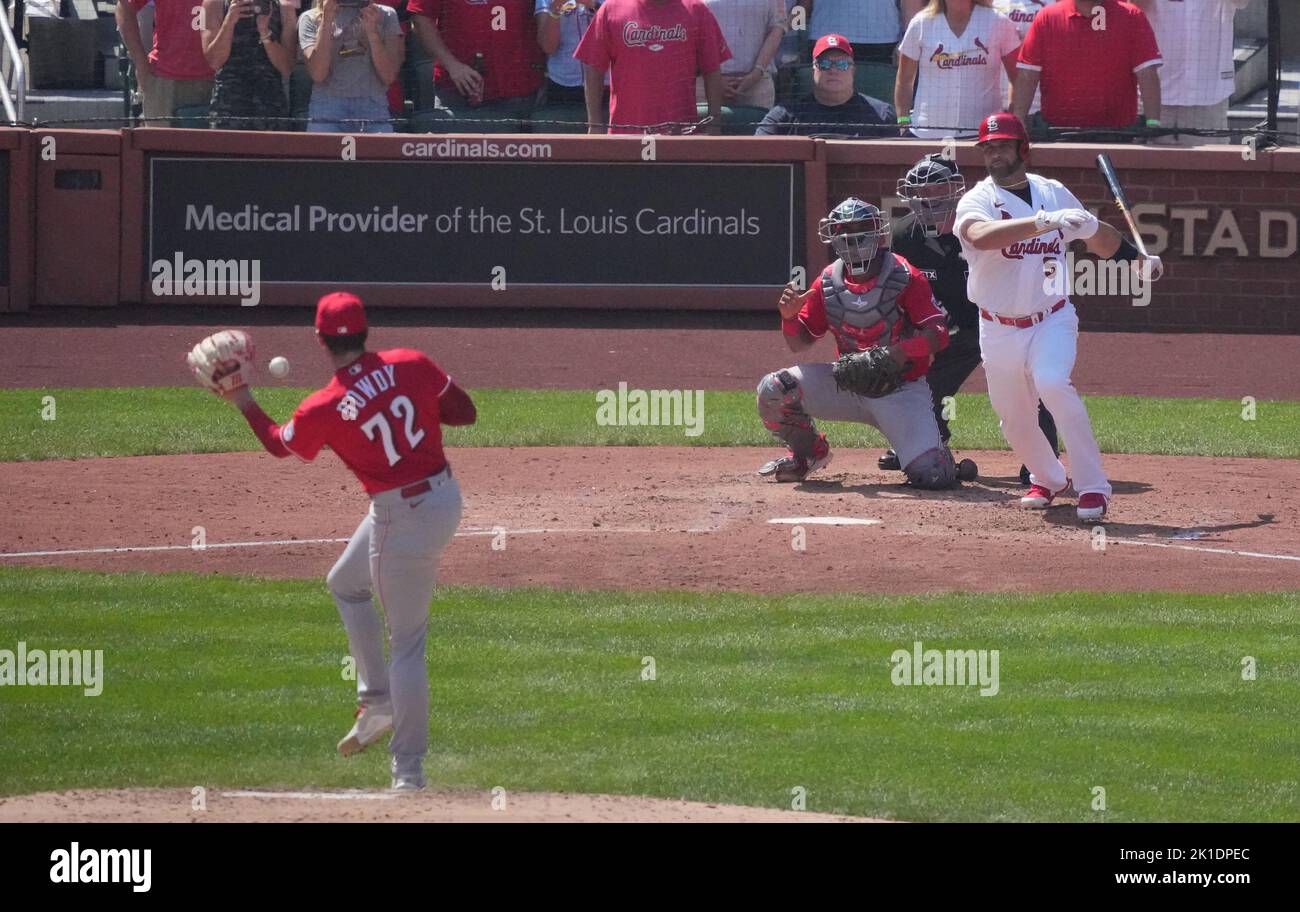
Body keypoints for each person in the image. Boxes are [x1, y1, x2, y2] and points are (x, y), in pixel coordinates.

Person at [197, 293, 476, 790]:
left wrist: (241, 398)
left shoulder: (322, 407)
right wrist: (406, 405)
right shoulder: (412, 361)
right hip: (443, 500)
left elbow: (280, 446)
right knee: (345, 582)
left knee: (408, 644)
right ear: (366, 329)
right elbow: (464, 413)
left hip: (399, 517)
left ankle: (408, 771)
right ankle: (375, 701)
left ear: (320, 340)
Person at [953, 112, 1164, 522]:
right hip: (997, 326)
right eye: (988, 147)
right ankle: (1048, 477)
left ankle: (1094, 488)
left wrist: (1133, 258)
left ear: (1022, 149)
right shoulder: (977, 199)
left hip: (1052, 317)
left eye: (1002, 145)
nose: (994, 152)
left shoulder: (1053, 191)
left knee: (1052, 382)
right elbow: (979, 235)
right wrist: (1043, 222)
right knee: (1013, 419)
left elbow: (1100, 240)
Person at [756, 198, 962, 490]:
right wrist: (789, 318)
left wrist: (900, 352)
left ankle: (938, 454)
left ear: (878, 233)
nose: (853, 238)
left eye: (861, 229)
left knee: (933, 476)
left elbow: (938, 334)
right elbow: (799, 343)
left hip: (900, 390)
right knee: (775, 390)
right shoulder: (828, 281)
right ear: (834, 237)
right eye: (845, 231)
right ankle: (809, 454)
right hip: (848, 384)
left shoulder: (905, 275)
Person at [884, 153, 1058, 485]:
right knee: (920, 383)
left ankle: (1042, 461)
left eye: (936, 191)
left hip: (1003, 319)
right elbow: (900, 292)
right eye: (921, 193)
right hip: (949, 330)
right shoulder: (905, 235)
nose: (928, 199)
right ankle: (923, 448)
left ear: (955, 192)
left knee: (1028, 384)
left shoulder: (982, 221)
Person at [575, 0, 731, 134]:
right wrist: (594, 124)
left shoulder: (697, 10)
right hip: (624, 133)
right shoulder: (611, 9)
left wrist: (714, 121)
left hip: (681, 134)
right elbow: (594, 67)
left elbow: (712, 69)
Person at [1012, 0, 1162, 139]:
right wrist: (1018, 121)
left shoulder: (1131, 16)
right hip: (1057, 135)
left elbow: (1147, 74)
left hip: (1118, 135)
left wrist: (1153, 124)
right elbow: (1028, 74)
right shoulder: (1048, 18)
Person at [409, 0, 544, 131]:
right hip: (456, 86)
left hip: (519, 87)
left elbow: (549, 17)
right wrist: (452, 65)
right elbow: (421, 17)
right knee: (452, 150)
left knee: (520, 151)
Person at [895, 0, 1021, 140]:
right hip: (927, 132)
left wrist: (1013, 120)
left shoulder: (999, 22)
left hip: (985, 136)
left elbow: (1018, 78)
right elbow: (904, 80)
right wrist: (903, 123)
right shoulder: (921, 23)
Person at [1134, 0, 1254, 146]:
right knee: (1150, 165)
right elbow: (1134, 9)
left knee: (1209, 165)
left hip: (1208, 96)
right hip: (1155, 97)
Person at [299, 0, 406, 133]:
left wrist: (373, 33)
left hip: (373, 105)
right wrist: (326, 22)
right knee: (321, 151)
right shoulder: (310, 18)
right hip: (327, 106)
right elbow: (318, 74)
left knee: (381, 151)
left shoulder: (386, 15)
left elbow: (389, 76)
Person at [756, 34, 894, 136]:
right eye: (824, 64)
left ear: (853, 70)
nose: (833, 70)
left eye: (842, 64)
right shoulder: (785, 115)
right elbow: (759, 151)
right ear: (813, 70)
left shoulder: (881, 115)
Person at [201, 0, 298, 130]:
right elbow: (214, 61)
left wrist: (265, 34)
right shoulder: (213, 5)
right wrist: (229, 22)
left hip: (271, 106)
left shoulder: (284, 9)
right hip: (228, 107)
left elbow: (287, 67)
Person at [117, 0, 216, 126]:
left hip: (218, 81)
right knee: (159, 143)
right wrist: (141, 63)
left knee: (213, 144)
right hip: (164, 82)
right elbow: (124, 8)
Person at [699, 0, 788, 110]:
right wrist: (714, 79)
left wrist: (756, 73)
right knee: (708, 126)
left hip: (757, 85)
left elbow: (778, 28)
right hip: (706, 84)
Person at [794, 0, 902, 64]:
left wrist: (906, 40)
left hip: (882, 42)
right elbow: (803, 5)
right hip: (826, 41)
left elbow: (910, 6)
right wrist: (794, 38)